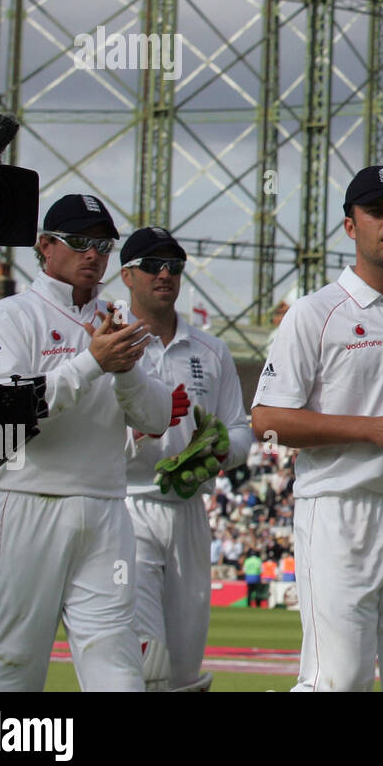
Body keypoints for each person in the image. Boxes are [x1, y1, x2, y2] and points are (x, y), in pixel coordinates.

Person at [252, 166, 383, 692]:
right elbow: (268, 422)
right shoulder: (314, 313)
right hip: (341, 511)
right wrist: (371, 430)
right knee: (336, 680)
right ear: (350, 226)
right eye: (377, 212)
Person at [0, 194, 180, 691]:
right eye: (81, 242)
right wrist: (92, 362)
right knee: (15, 663)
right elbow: (7, 412)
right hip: (27, 500)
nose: (94, 255)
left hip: (107, 506)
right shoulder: (13, 314)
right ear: (45, 246)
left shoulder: (116, 319)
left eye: (104, 245)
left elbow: (155, 416)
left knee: (117, 661)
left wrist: (125, 370)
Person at [121, 226, 252, 691]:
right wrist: (134, 436)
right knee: (144, 659)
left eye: (174, 266)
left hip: (189, 512)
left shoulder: (211, 350)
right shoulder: (110, 343)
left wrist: (221, 450)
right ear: (127, 276)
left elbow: (240, 429)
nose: (165, 274)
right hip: (126, 507)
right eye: (153, 265)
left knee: (181, 666)